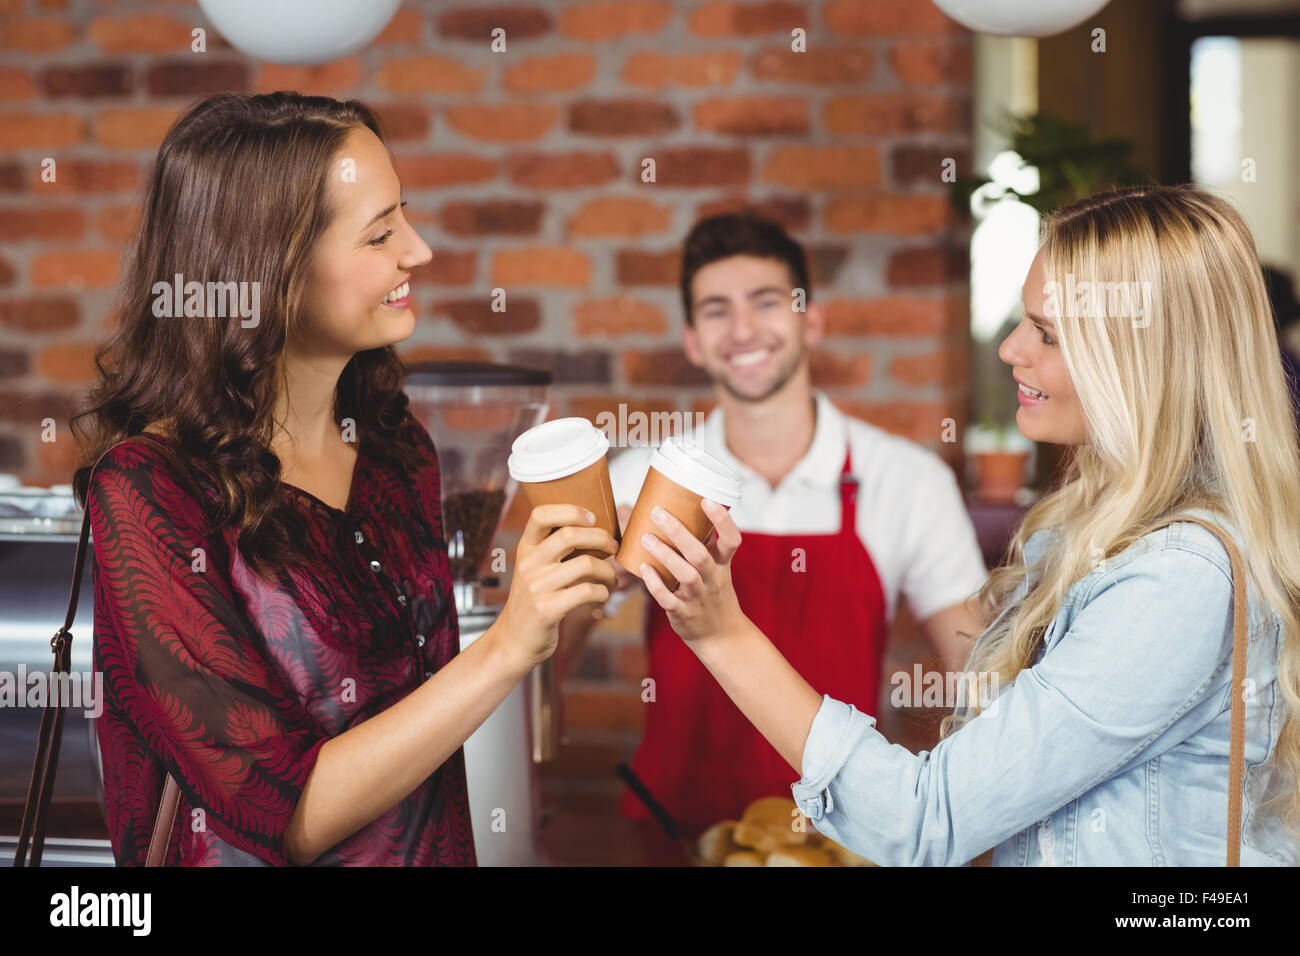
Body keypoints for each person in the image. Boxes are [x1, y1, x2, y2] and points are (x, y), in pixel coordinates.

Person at [633, 184, 1300, 865]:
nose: (1011, 348)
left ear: (1143, 361)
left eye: (1047, 333)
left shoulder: (1177, 578)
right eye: (1022, 320)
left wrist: (720, 632)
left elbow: (928, 819)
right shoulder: (1080, 531)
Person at [71, 91, 616, 866]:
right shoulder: (149, 492)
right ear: (271, 271)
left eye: (406, 216)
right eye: (381, 233)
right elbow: (287, 818)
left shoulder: (396, 450)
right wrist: (505, 646)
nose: (418, 252)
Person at [561, 212, 989, 847]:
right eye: (716, 310)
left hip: (841, 841)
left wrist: (944, 812)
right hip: (674, 836)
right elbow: (546, 660)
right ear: (692, 340)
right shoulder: (639, 481)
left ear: (810, 320)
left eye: (767, 302)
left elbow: (979, 668)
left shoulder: (908, 480)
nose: (742, 330)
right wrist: (604, 576)